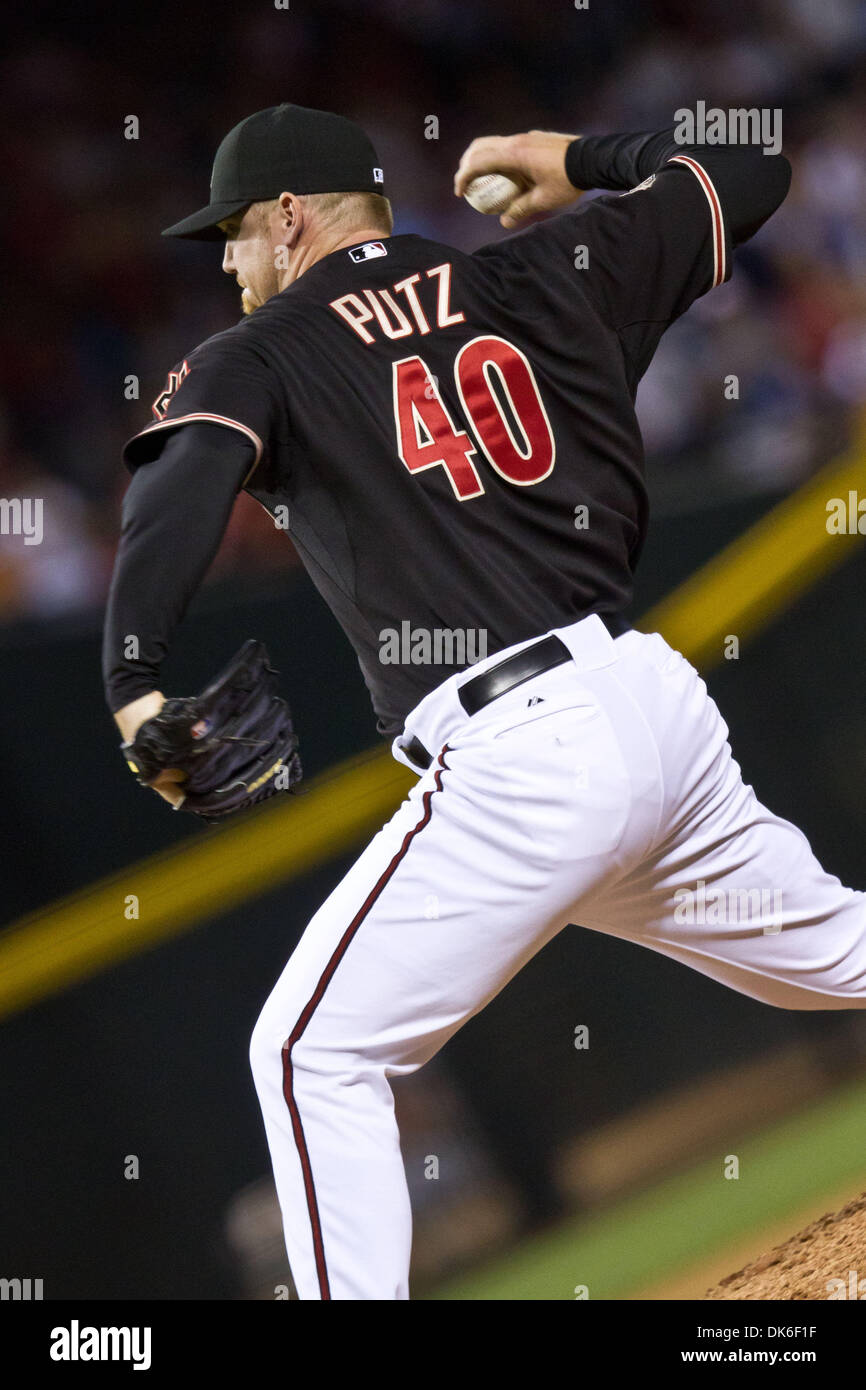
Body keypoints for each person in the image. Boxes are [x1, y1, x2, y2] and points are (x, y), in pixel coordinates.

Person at [102, 104, 866, 1299]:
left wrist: (132, 680)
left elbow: (176, 490)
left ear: (289, 217)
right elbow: (749, 166)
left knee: (308, 1054)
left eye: (233, 234)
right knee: (835, 952)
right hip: (647, 702)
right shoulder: (546, 265)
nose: (230, 263)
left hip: (520, 751)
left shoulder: (262, 351)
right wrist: (576, 160)